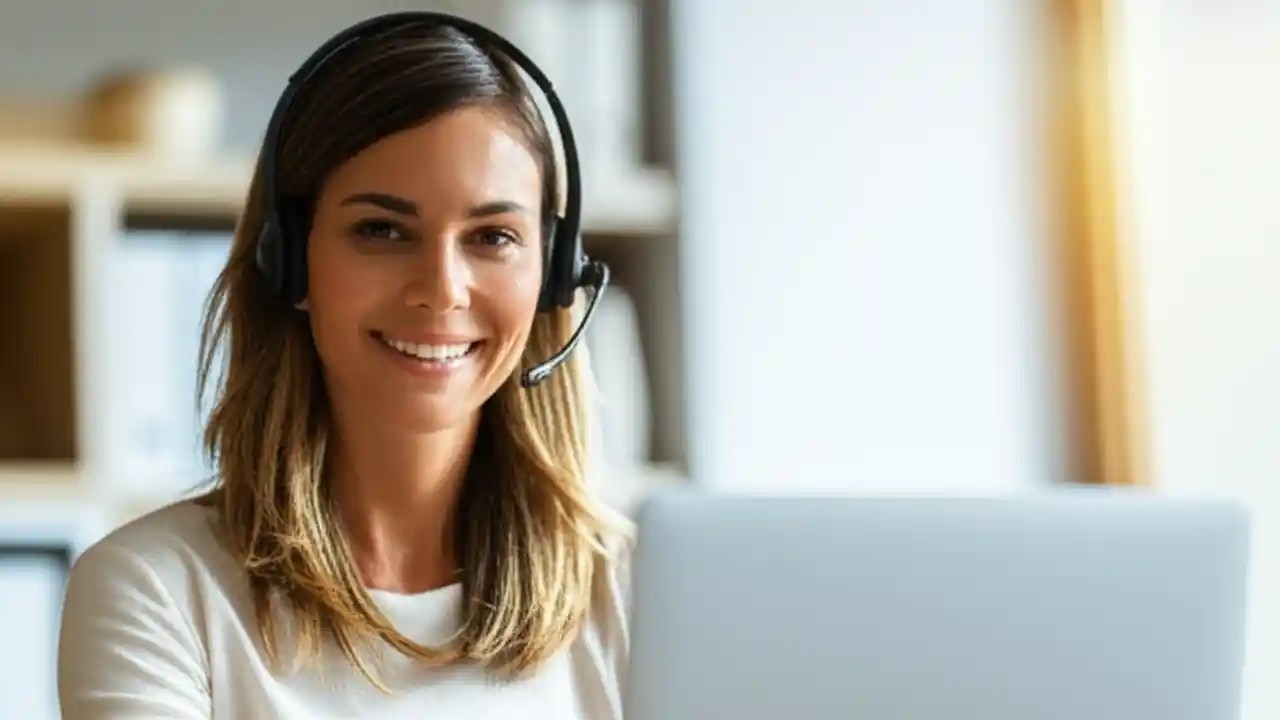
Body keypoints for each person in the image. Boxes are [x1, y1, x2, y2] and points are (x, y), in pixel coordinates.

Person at [56, 13, 632, 719]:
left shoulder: (642, 597)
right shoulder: (158, 590)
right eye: (382, 230)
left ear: (554, 275)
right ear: (289, 263)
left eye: (493, 236)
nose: (443, 288)